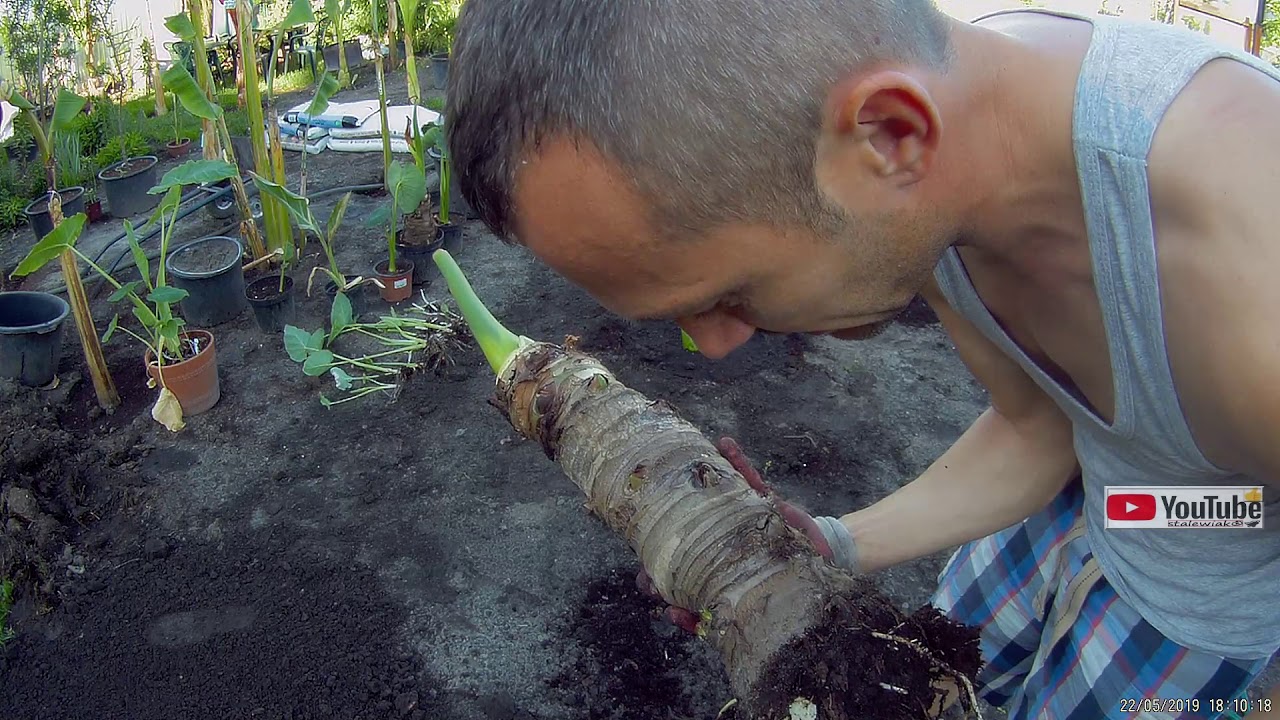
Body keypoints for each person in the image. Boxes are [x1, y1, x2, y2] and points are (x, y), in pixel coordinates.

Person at [443, 1, 1280, 718]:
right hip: (1095, 516)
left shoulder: (1254, 302)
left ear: (890, 137)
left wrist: (1158, 537)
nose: (716, 343)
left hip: (1199, 623)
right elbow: (1035, 431)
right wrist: (831, 544)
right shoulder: (951, 151)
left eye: (730, 293)